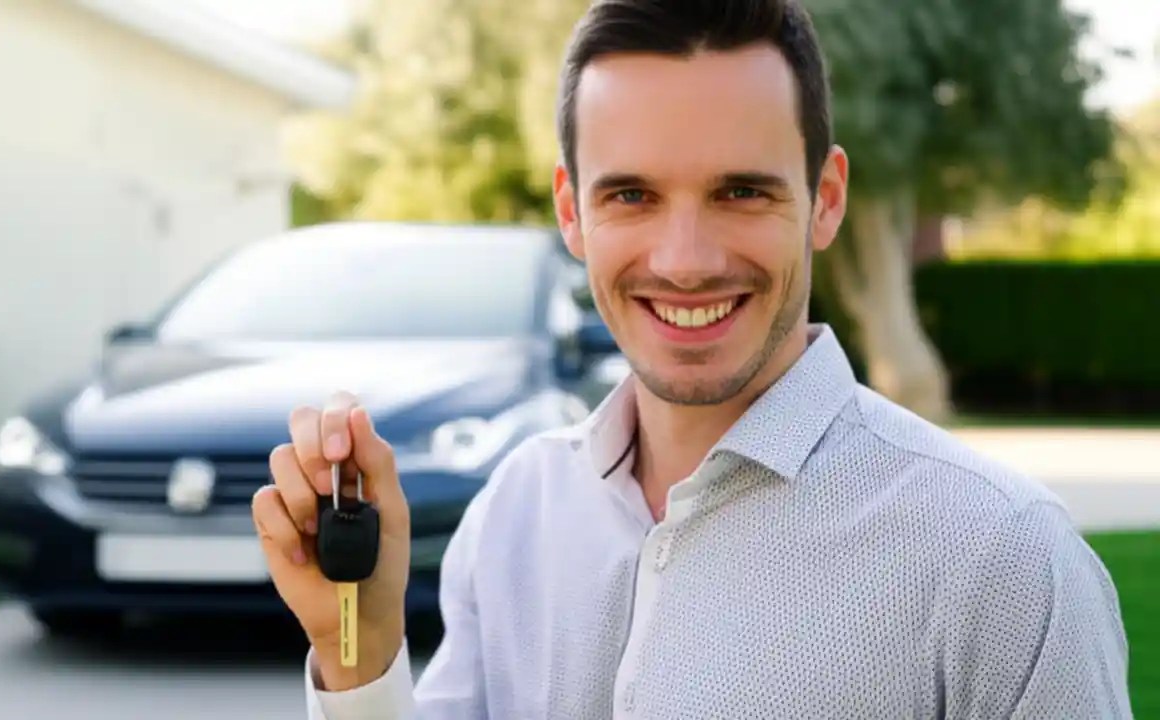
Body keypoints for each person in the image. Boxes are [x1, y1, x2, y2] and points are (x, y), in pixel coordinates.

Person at [252, 0, 1133, 717]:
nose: (684, 259)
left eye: (740, 192)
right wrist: (356, 651)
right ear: (572, 210)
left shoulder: (1004, 560)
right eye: (631, 194)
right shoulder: (516, 512)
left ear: (824, 200)